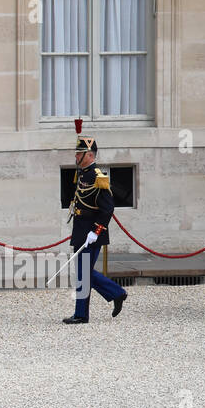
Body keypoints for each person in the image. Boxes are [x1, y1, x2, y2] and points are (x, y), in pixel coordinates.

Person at [62, 119, 128, 324]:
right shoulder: (82, 175)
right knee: (84, 272)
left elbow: (108, 208)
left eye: (78, 153)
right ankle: (116, 293)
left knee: (83, 273)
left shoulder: (98, 177)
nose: (75, 156)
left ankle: (82, 314)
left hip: (91, 233)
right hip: (81, 230)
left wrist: (96, 232)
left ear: (88, 155)